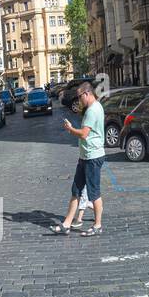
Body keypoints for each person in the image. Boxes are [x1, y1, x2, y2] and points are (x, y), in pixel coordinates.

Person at [53, 81, 106, 236]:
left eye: (79, 97)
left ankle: (97, 225)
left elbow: (84, 133)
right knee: (76, 190)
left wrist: (70, 129)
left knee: (94, 192)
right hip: (85, 156)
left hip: (93, 156)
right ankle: (66, 224)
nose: (78, 100)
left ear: (86, 94)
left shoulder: (93, 110)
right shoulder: (92, 108)